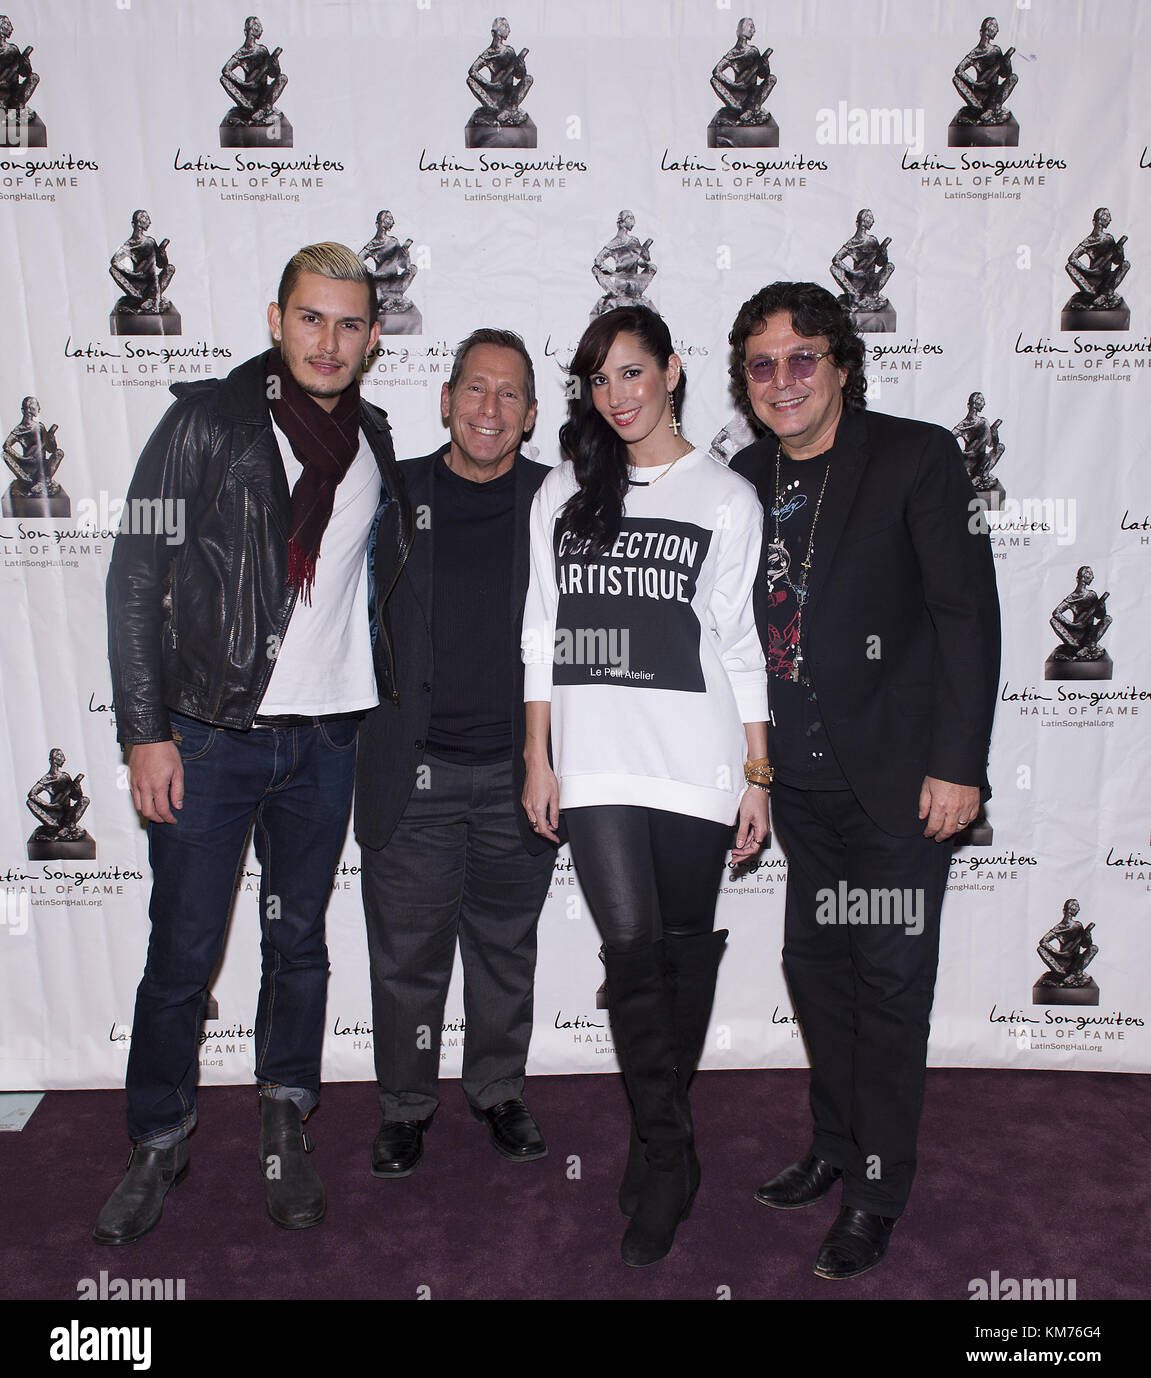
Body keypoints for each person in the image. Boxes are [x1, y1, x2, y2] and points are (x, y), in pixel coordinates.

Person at [95, 243, 411, 1244]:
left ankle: (285, 1118)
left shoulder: (374, 439)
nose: (330, 342)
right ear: (277, 318)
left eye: (350, 324)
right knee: (183, 949)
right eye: (312, 319)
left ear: (371, 335)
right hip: (212, 734)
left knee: (299, 942)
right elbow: (135, 575)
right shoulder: (204, 421)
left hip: (325, 743)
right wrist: (146, 733)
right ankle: (157, 1138)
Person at [727, 281, 999, 1278]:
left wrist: (956, 765)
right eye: (762, 364)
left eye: (803, 358)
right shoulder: (745, 475)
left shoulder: (915, 457)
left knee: (885, 986)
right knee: (816, 970)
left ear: (841, 363)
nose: (783, 380)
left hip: (896, 785)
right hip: (797, 785)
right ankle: (835, 1146)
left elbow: (966, 614)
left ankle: (877, 1188)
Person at [522, 305, 769, 1267]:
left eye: (632, 373)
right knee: (631, 960)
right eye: (599, 380)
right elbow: (540, 633)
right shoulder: (563, 495)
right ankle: (669, 1153)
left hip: (699, 758)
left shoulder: (724, 497)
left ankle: (658, 1137)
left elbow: (740, 645)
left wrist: (756, 774)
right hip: (596, 761)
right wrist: (538, 756)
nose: (617, 396)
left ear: (671, 372)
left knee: (678, 957)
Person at [355, 329, 555, 1176]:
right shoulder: (389, 496)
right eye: (475, 389)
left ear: (532, 416)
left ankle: (499, 1089)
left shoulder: (558, 502)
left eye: (509, 395)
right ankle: (405, 1105)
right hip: (414, 771)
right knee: (406, 959)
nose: (489, 409)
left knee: (506, 947)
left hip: (522, 774)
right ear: (444, 400)